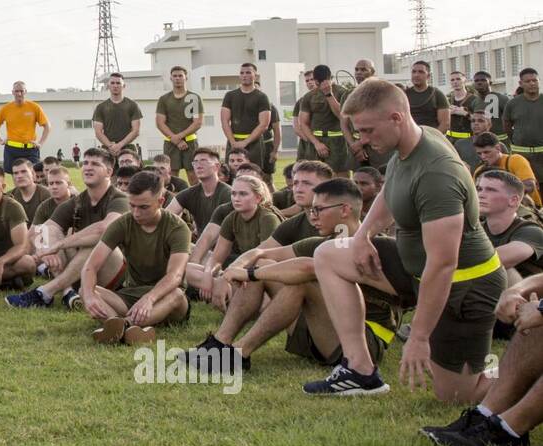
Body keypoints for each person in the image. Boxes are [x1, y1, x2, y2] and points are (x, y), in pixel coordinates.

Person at [306, 78, 504, 400]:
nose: (363, 140)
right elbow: (392, 188)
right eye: (359, 131)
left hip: (463, 285)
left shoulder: (437, 174)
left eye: (368, 130)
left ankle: (527, 372)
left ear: (396, 117)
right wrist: (362, 236)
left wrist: (419, 337)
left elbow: (443, 264)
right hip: (416, 268)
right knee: (329, 255)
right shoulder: (409, 145)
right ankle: (359, 370)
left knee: (456, 395)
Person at [191, 178, 397, 373]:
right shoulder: (322, 244)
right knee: (263, 265)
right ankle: (219, 343)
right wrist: (234, 271)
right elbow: (259, 253)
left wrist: (249, 273)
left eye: (318, 209)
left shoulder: (378, 247)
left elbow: (307, 268)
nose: (312, 215)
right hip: (320, 332)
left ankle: (238, 354)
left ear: (344, 210)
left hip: (362, 342)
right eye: (310, 209)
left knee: (297, 280)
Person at [419, 266, 543, 446]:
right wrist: (515, 290)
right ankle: (486, 414)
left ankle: (507, 431)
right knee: (534, 326)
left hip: (490, 320)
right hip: (502, 315)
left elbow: (516, 251)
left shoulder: (526, 235)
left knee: (464, 393)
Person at [5, 148, 128, 309]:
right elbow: (46, 229)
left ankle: (44, 292)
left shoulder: (119, 198)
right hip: (82, 273)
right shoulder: (77, 201)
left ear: (109, 172)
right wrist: (49, 249)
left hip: (115, 271)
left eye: (95, 164)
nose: (88, 167)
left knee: (94, 241)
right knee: (60, 235)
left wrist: (60, 244)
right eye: (85, 163)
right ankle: (67, 291)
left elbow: (104, 229)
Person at [80, 170, 191, 345]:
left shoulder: (177, 228)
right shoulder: (122, 223)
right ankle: (126, 329)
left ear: (160, 202)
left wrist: (150, 298)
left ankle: (120, 326)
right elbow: (91, 266)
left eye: (143, 207)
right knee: (86, 289)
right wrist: (88, 296)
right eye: (132, 205)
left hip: (167, 298)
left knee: (176, 294)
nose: (136, 213)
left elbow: (175, 276)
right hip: (131, 296)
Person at [184, 175, 280, 298]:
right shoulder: (231, 218)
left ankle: (226, 295)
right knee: (187, 269)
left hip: (265, 273)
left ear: (258, 198)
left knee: (262, 263)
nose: (236, 198)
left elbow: (260, 257)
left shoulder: (268, 218)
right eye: (233, 194)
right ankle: (223, 293)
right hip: (240, 270)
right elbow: (216, 258)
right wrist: (208, 275)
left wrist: (227, 276)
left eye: (243, 194)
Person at [221, 62, 273, 179]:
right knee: (230, 176)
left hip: (254, 143)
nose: (244, 75)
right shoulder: (230, 96)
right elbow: (224, 121)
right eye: (242, 73)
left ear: (255, 75)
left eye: (248, 72)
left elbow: (264, 124)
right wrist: (233, 142)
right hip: (233, 141)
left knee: (254, 176)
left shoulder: (262, 97)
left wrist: (245, 142)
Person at [166, 147, 230, 240]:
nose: (198, 165)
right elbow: (166, 217)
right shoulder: (189, 193)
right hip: (200, 246)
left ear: (217, 166)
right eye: (195, 162)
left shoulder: (228, 194)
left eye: (203, 161)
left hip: (226, 248)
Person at [155, 66, 204, 185]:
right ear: (170, 78)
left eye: (180, 76)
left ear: (185, 77)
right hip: (170, 143)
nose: (177, 78)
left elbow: (198, 122)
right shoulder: (164, 99)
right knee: (170, 177)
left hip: (190, 143)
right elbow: (160, 123)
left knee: (194, 176)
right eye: (175, 76)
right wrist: (175, 140)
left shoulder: (194, 97)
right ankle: (172, 202)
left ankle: (196, 202)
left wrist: (180, 137)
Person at [298, 64, 349, 174]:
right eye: (319, 82)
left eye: (326, 80)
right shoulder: (309, 96)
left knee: (340, 178)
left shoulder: (342, 92)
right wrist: (316, 143)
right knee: (314, 177)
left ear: (331, 78)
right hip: (316, 142)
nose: (322, 84)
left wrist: (329, 94)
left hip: (338, 142)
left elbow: (342, 116)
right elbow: (303, 123)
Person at [0, 81, 49, 174]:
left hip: (30, 149)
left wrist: (40, 143)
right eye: (16, 91)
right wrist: (0, 140)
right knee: (16, 177)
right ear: (12, 92)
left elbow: (47, 126)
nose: (19, 94)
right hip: (12, 149)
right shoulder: (6, 108)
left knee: (33, 175)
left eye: (21, 91)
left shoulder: (34, 107)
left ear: (25, 92)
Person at [472, 131, 540, 206]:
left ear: (498, 148)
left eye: (486, 152)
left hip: (529, 210)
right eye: (479, 153)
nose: (483, 157)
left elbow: (529, 186)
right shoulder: (479, 171)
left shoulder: (515, 160)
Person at [92, 72, 142, 161]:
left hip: (128, 149)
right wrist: (111, 146)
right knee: (107, 175)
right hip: (107, 149)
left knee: (130, 175)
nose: (115, 86)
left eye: (118, 83)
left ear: (124, 86)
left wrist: (119, 145)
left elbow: (136, 131)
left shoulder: (132, 105)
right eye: (112, 83)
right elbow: (98, 132)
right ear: (108, 86)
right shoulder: (101, 107)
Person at [505, 68, 543, 183]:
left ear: (539, 81)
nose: (532, 83)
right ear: (521, 84)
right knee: (525, 187)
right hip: (522, 155)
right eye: (528, 81)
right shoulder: (512, 103)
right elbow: (507, 125)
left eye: (534, 80)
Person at [342, 59, 376, 173]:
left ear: (372, 72)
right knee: (359, 183)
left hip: (378, 145)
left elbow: (384, 122)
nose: (358, 72)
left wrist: (362, 142)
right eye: (356, 69)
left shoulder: (382, 92)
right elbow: (344, 124)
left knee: (380, 182)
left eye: (363, 69)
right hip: (356, 147)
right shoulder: (348, 94)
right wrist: (354, 145)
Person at [405, 60, 451, 134]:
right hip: (409, 137)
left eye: (421, 72)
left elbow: (445, 124)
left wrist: (431, 139)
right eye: (414, 72)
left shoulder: (437, 94)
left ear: (428, 76)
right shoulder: (404, 94)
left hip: (431, 137)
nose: (416, 75)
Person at [7, 158, 51, 225]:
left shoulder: (46, 195)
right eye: (16, 173)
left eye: (24, 171)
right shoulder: (9, 196)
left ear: (33, 173)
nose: (20, 176)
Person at [470, 70, 510, 141]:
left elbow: (511, 121)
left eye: (483, 80)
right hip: (482, 141)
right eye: (476, 81)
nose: (479, 82)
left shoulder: (502, 99)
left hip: (500, 141)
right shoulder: (474, 102)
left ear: (490, 83)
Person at [291, 69, 319, 163]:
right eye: (307, 81)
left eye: (312, 79)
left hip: (325, 141)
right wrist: (311, 141)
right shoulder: (300, 102)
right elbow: (296, 127)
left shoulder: (328, 97)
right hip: (306, 143)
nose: (310, 82)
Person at [447, 70, 475, 142]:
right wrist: (447, 113)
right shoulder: (447, 100)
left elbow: (481, 120)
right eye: (452, 80)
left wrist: (465, 113)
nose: (455, 82)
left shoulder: (474, 99)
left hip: (467, 140)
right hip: (449, 140)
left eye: (458, 79)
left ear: (464, 80)